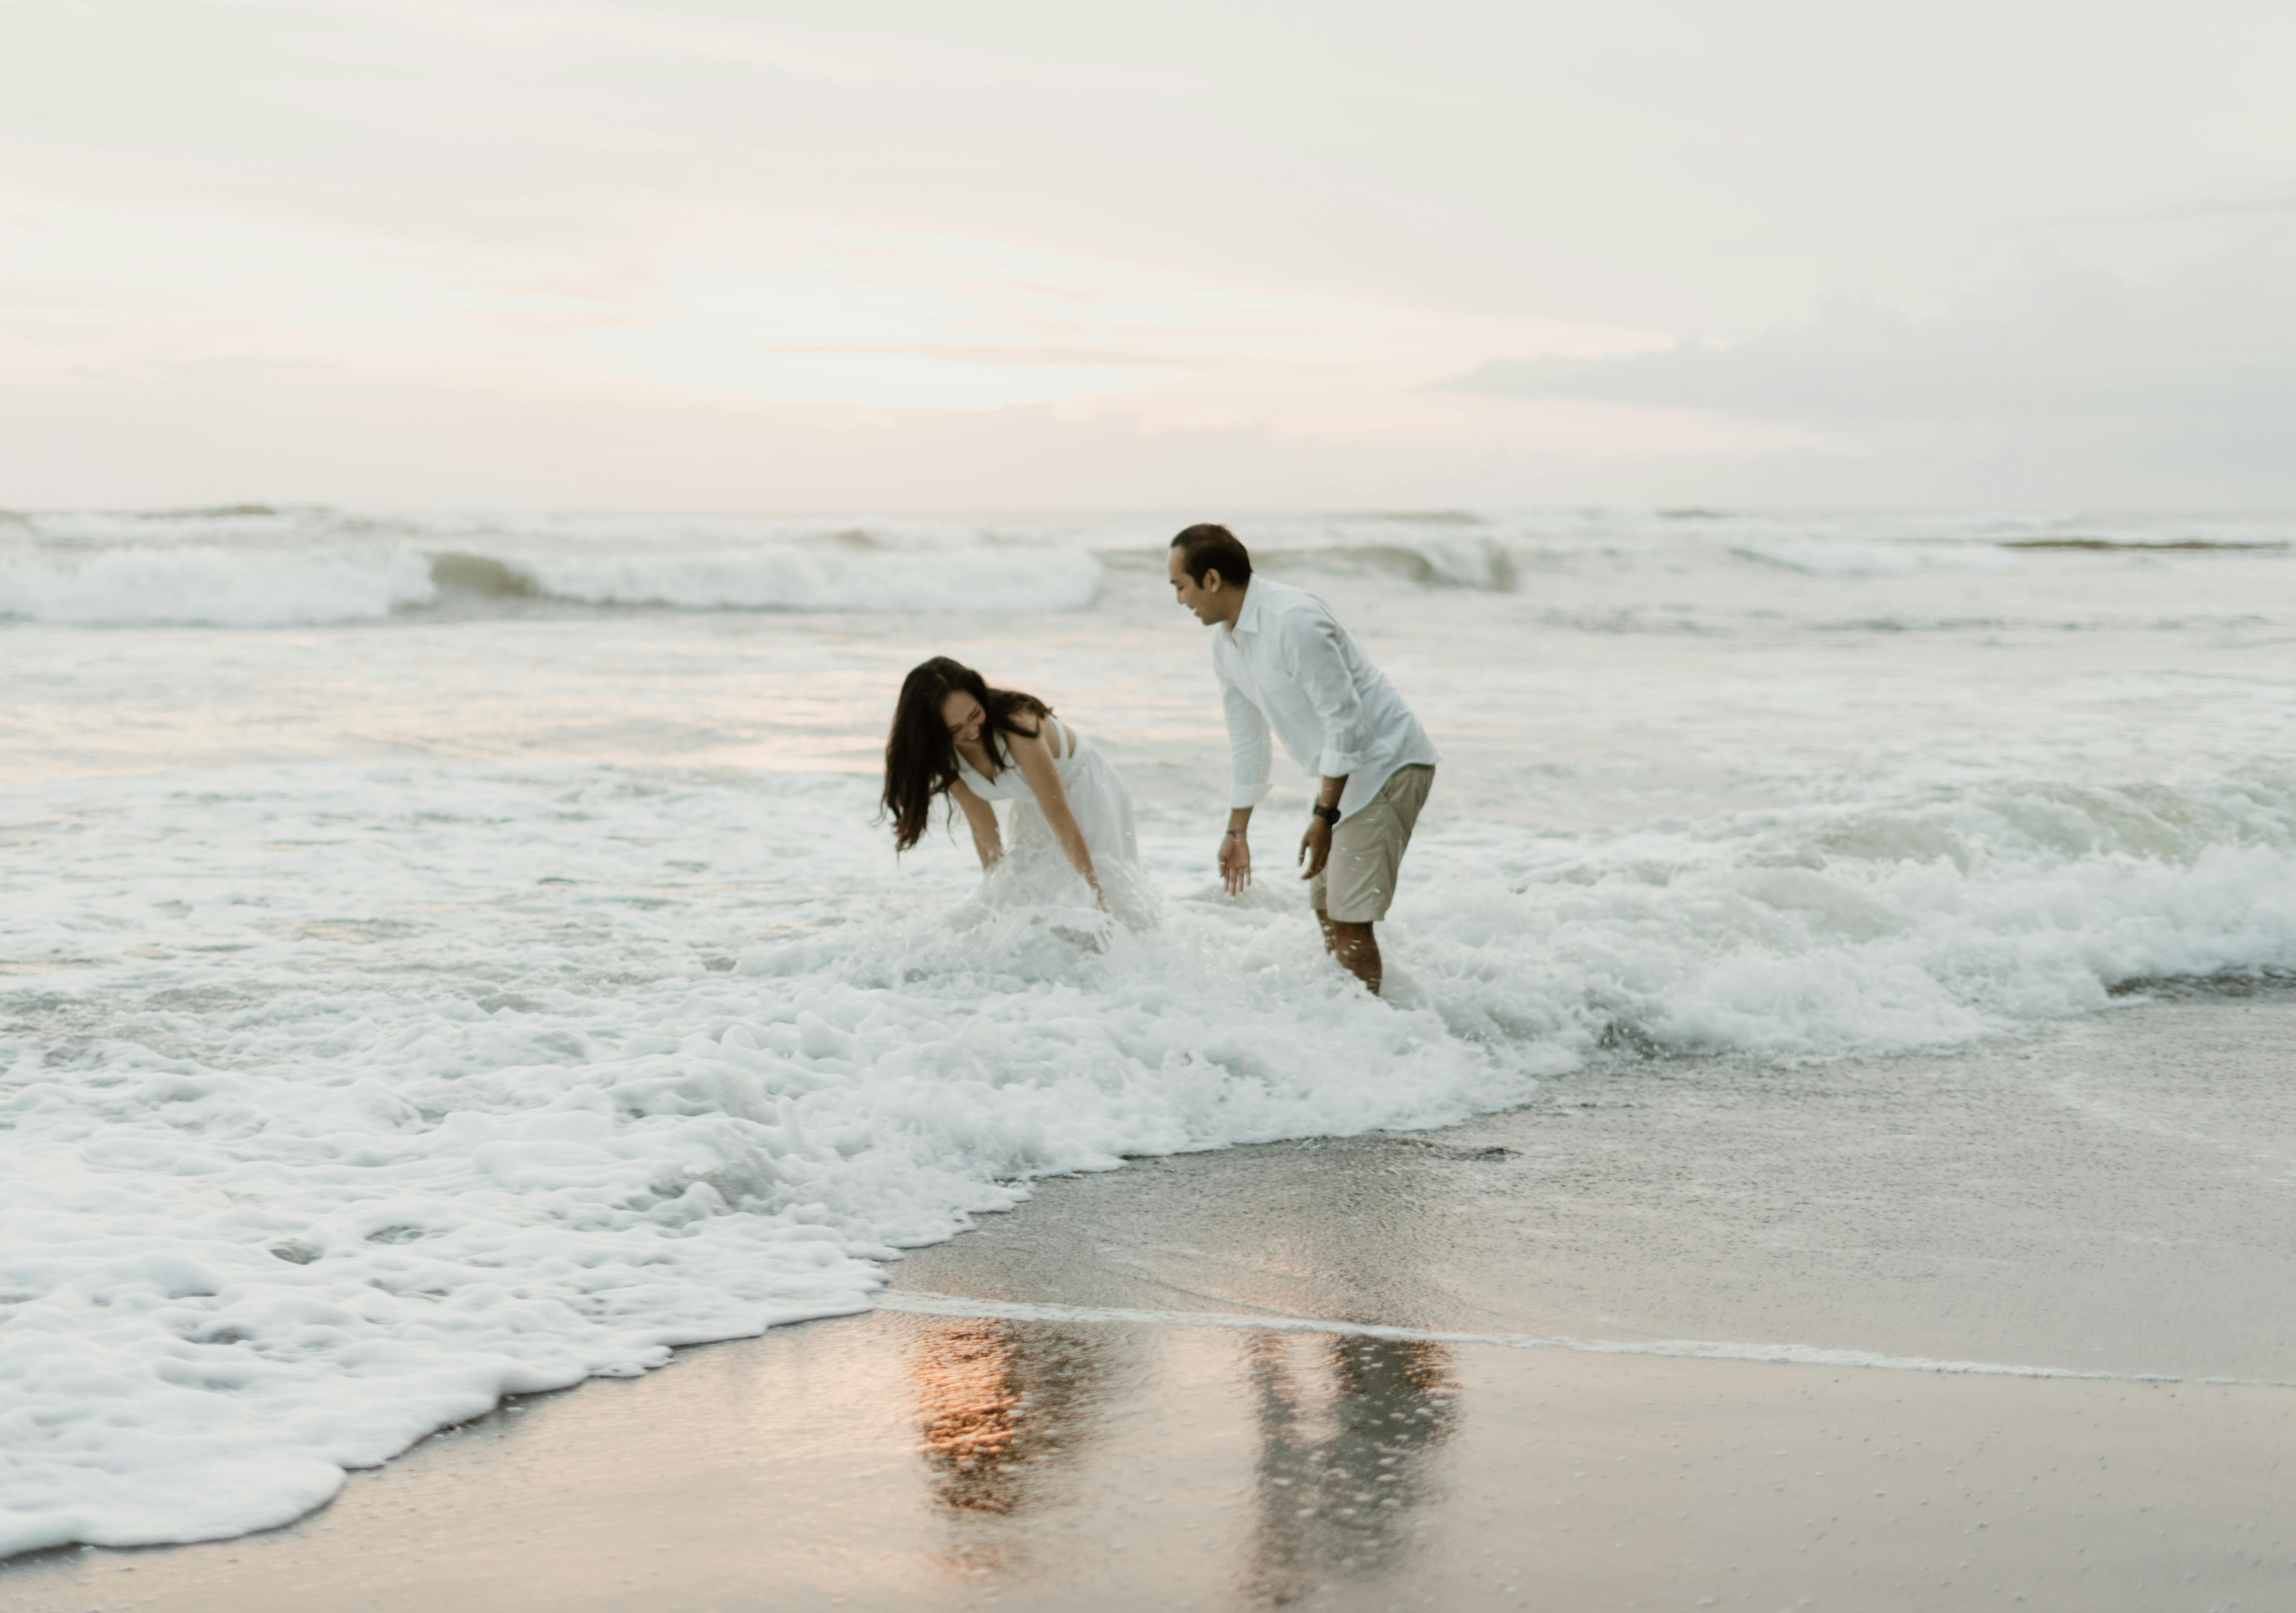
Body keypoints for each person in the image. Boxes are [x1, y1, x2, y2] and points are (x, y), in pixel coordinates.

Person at [1166, 523, 1438, 994]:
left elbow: (1344, 720)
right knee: (1327, 910)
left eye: (1180, 586)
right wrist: (1237, 830)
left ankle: (1375, 1043)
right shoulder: (1226, 644)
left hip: (1387, 764)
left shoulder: (1292, 619)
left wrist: (1323, 814)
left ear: (1211, 579)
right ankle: (1357, 1022)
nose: (1180, 600)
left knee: (1351, 922)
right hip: (1347, 773)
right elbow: (1248, 743)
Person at [881, 656, 1152, 926]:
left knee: (1104, 896)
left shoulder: (1017, 725)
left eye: (975, 715)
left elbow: (1061, 820)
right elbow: (984, 830)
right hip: (1034, 801)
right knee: (1032, 894)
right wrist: (994, 898)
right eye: (955, 730)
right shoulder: (943, 757)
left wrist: (1097, 901)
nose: (973, 731)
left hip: (1087, 789)